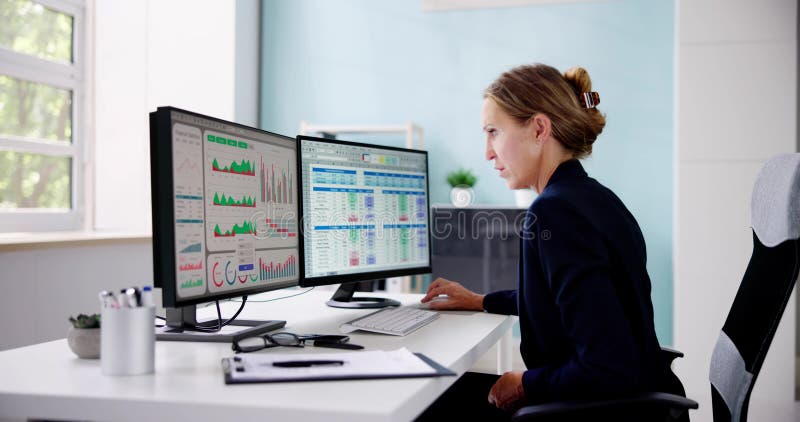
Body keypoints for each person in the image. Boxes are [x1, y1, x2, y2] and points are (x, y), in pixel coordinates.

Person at [415, 64, 686, 421]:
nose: (487, 152)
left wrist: (525, 383)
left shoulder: (556, 211)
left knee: (424, 401)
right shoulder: (592, 198)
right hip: (623, 397)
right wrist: (480, 300)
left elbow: (606, 365)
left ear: (540, 128)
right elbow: (562, 300)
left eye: (493, 132)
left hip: (594, 408)